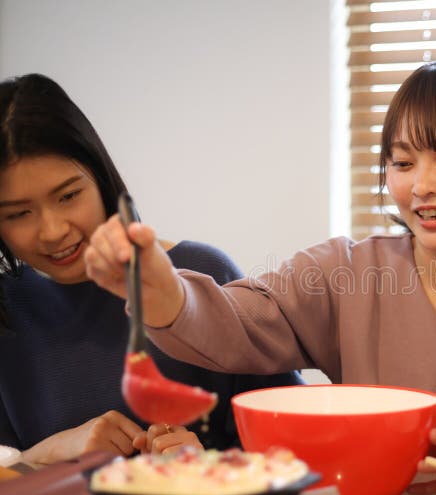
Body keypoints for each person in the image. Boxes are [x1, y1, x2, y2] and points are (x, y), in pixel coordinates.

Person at [85, 57, 436, 495]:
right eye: (402, 163)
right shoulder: (348, 273)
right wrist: (164, 289)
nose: (421, 186)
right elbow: (234, 322)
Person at [0, 73, 303, 467]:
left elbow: (294, 446)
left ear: (101, 178)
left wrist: (210, 463)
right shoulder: (8, 309)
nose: (53, 231)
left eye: (69, 195)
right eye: (19, 213)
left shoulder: (200, 275)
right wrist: (49, 454)